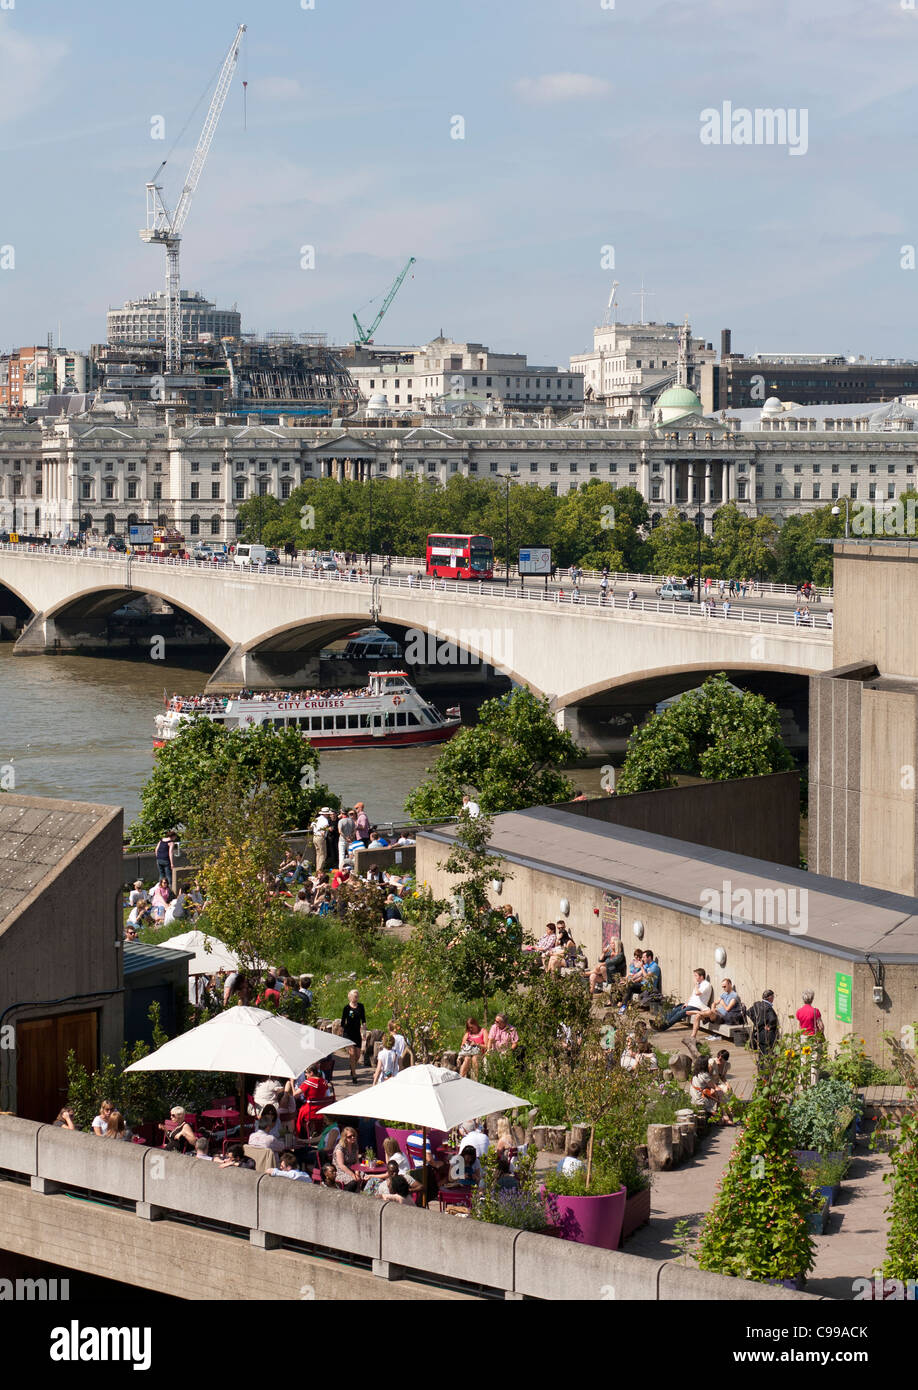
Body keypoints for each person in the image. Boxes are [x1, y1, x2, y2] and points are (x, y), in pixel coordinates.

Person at [340, 989, 366, 1083]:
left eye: (357, 996)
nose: (356, 997)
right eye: (355, 996)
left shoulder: (361, 1007)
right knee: (352, 1053)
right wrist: (341, 1032)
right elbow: (343, 1021)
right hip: (348, 1033)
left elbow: (363, 1020)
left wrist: (364, 1032)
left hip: (357, 1033)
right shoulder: (346, 1008)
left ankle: (352, 1066)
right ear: (350, 997)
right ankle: (354, 1075)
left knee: (358, 1055)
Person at [748, 989, 779, 1057]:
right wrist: (769, 1026)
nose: (773, 998)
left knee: (761, 1054)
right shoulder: (768, 1008)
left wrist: (756, 1022)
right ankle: (768, 1067)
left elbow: (749, 1012)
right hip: (768, 1035)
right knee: (769, 1054)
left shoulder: (757, 1005)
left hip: (759, 1033)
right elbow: (773, 1019)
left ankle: (761, 1067)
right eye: (773, 997)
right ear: (770, 997)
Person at [332, 1127, 362, 1191]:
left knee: (367, 1177)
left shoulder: (355, 1145)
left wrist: (357, 1173)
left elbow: (356, 1161)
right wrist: (353, 1175)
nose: (353, 1137)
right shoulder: (340, 1148)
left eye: (354, 1135)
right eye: (350, 1136)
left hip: (353, 1169)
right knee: (354, 1181)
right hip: (341, 1172)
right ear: (344, 1137)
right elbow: (341, 1165)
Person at [311, 807, 333, 875]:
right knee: (323, 854)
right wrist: (324, 831)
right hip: (320, 837)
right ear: (326, 814)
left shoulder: (317, 819)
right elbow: (324, 829)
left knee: (318, 854)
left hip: (315, 837)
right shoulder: (325, 820)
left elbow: (311, 825)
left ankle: (318, 869)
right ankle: (319, 870)